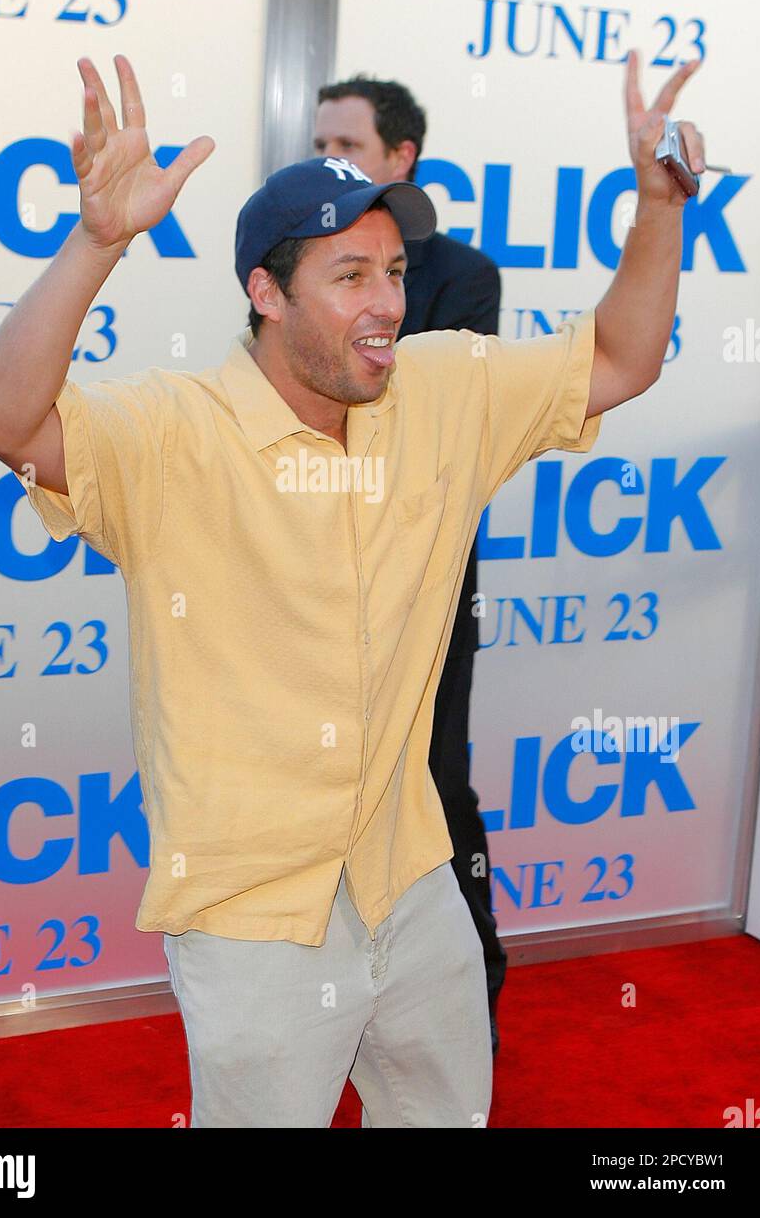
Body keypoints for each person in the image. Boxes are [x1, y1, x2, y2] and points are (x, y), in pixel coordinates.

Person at [0, 50, 704, 1128]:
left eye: (395, 270)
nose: (387, 304)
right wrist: (98, 238)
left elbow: (624, 357)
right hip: (250, 912)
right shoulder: (172, 431)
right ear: (266, 293)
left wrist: (657, 204)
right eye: (349, 276)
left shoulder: (446, 387)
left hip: (410, 883)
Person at [313, 76, 506, 1050]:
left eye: (347, 144)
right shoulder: (291, 267)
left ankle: (471, 1002)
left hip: (426, 583)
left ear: (402, 160)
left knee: (434, 783)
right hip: (313, 580)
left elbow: (403, 422)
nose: (326, 162)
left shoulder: (464, 279)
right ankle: (345, 1013)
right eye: (318, 145)